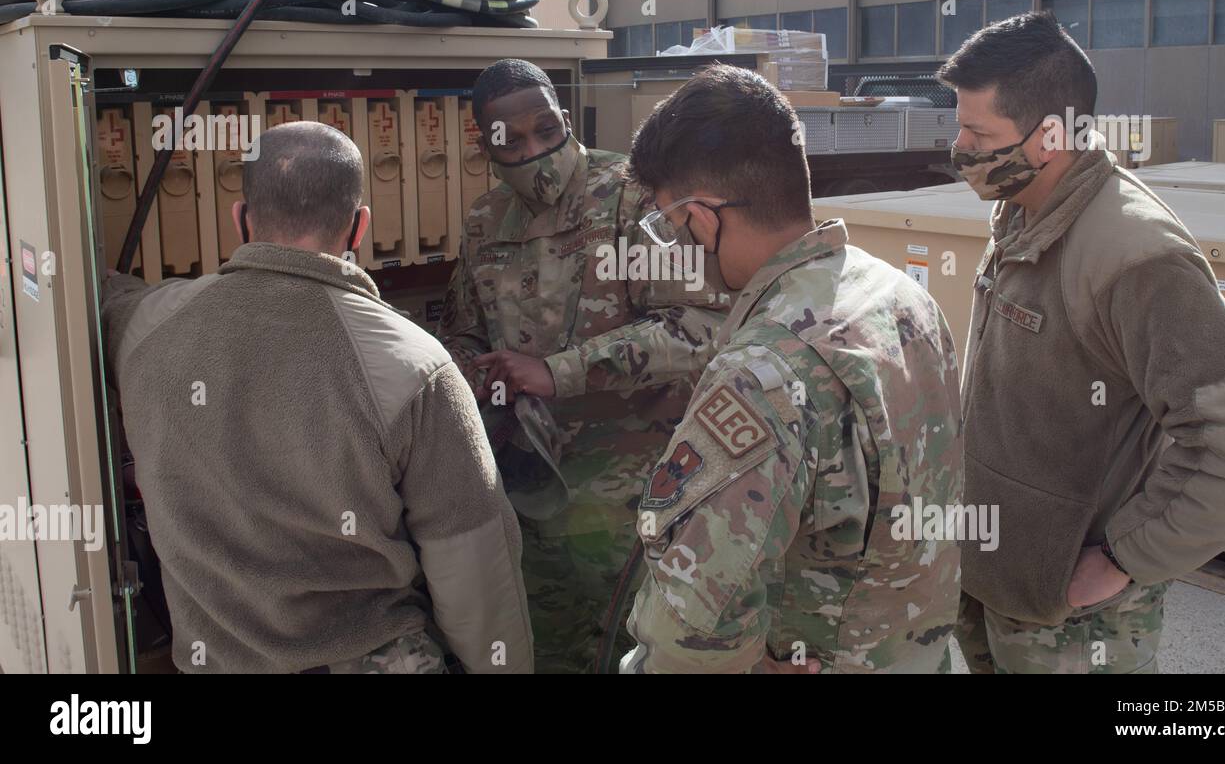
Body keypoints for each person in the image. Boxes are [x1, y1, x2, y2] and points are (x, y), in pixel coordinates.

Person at [102, 121, 532, 673]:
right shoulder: (415, 366)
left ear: (240, 219)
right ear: (360, 228)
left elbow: (102, 300)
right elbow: (476, 569)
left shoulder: (144, 329)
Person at [939, 11, 1225, 673]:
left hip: (1073, 619)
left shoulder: (1136, 257)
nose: (958, 147)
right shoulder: (1023, 208)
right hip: (998, 577)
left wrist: (1126, 557)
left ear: (1050, 136)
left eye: (976, 132)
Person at [619, 64, 964, 673]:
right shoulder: (900, 296)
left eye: (674, 227)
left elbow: (690, 628)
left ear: (703, 218)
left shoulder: (763, 370)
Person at [436, 59, 732, 673]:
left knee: (634, 653)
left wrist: (560, 371)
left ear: (566, 119)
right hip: (532, 491)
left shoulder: (633, 199)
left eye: (546, 130)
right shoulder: (485, 220)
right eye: (510, 141)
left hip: (631, 498)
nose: (535, 150)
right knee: (547, 649)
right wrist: (471, 369)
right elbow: (462, 330)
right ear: (483, 144)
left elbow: (701, 328)